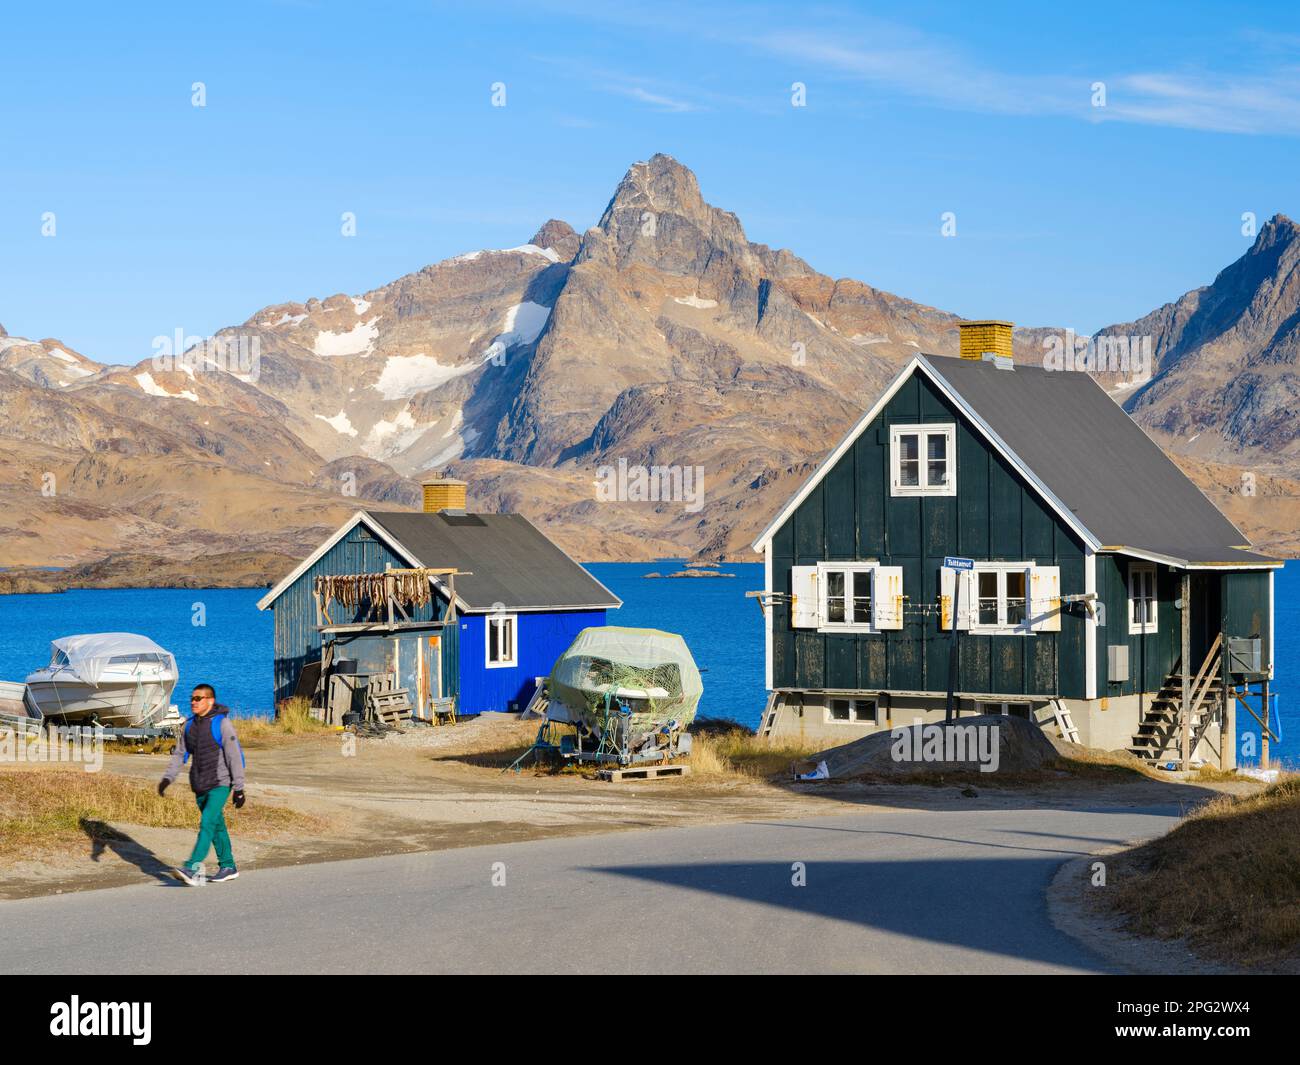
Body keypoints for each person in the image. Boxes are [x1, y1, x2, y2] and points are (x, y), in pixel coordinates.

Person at [159, 683, 246, 885]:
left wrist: (239, 788)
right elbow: (181, 753)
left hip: (220, 784)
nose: (193, 702)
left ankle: (191, 867)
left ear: (210, 701)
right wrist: (167, 778)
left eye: (198, 698)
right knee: (217, 825)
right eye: (192, 698)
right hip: (199, 784)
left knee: (207, 823)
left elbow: (234, 756)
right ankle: (228, 865)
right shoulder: (189, 725)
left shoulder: (222, 724)